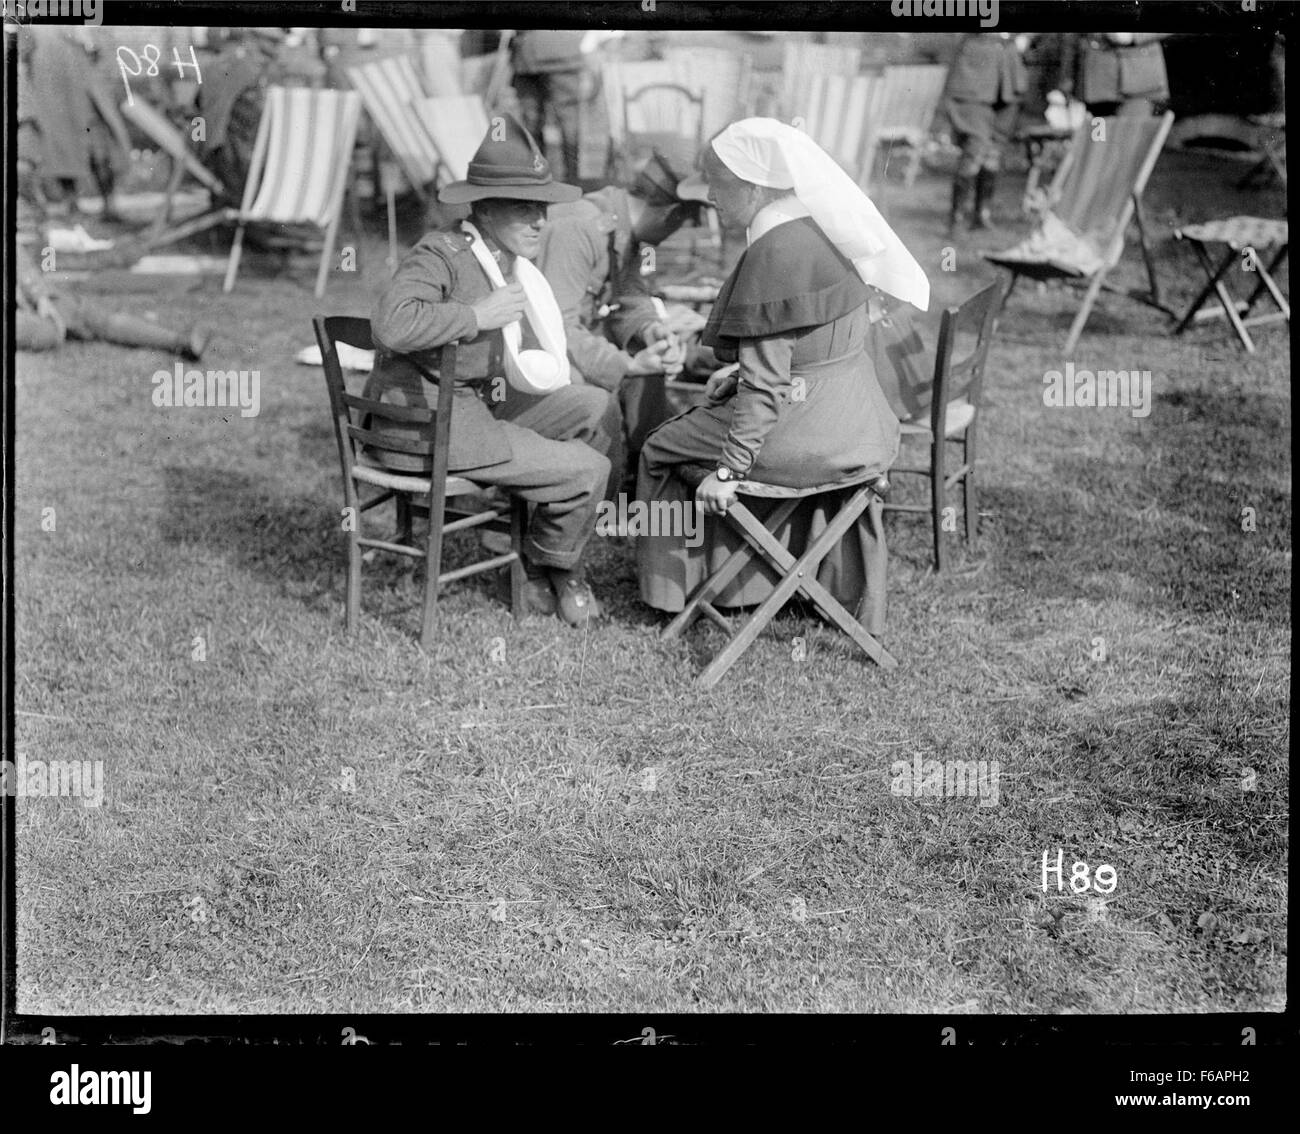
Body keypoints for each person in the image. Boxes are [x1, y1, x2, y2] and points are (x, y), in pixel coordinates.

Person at [635, 118, 929, 623]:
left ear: (753, 187)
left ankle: (676, 592)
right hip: (860, 428)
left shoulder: (775, 256)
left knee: (660, 447)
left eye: (717, 183)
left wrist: (729, 470)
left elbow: (768, 387)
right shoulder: (828, 228)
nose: (710, 197)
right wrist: (741, 375)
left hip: (804, 435)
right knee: (722, 414)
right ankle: (785, 577)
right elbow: (813, 349)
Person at [364, 115, 611, 627]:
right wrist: (478, 316)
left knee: (591, 404)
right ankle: (547, 569)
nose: (540, 220)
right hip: (428, 429)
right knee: (591, 469)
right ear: (485, 206)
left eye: (541, 207)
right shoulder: (443, 253)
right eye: (524, 207)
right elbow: (391, 324)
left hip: (468, 409)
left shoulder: (507, 259)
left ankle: (527, 553)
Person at [534, 147, 714, 491]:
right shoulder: (581, 229)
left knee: (651, 364)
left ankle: (643, 477)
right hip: (533, 352)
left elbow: (632, 295)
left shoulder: (636, 237)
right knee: (608, 390)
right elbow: (555, 328)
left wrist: (650, 330)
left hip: (575, 337)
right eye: (681, 222)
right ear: (673, 214)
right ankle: (601, 497)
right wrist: (626, 364)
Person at [940, 32, 1029, 234]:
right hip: (975, 69)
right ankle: (957, 219)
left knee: (994, 149)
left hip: (1008, 71)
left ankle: (981, 215)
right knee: (975, 146)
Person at [510, 31, 588, 183]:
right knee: (564, 123)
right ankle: (571, 183)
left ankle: (540, 181)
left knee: (535, 122)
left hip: (532, 53)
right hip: (553, 53)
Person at [1064, 33, 1170, 118]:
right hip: (1094, 83)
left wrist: (1134, 35)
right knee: (1099, 139)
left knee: (1131, 137)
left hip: (1139, 83)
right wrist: (1065, 88)